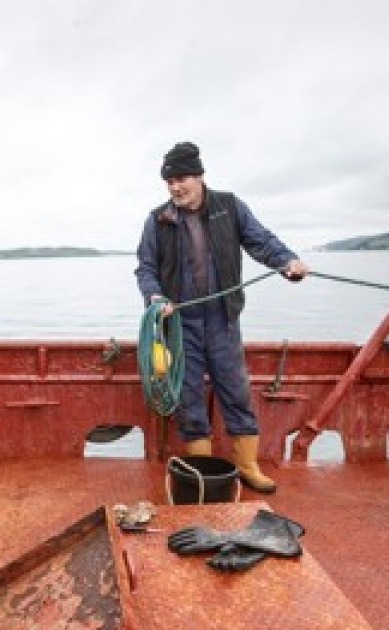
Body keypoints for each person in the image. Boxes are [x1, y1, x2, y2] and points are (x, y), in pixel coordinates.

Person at [135, 141, 308, 494]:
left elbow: (261, 241)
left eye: (181, 178)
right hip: (179, 325)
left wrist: (287, 261)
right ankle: (201, 470)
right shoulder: (158, 220)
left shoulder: (229, 207)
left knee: (236, 391)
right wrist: (155, 297)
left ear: (199, 176)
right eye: (169, 181)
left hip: (222, 320)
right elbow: (146, 268)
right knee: (187, 397)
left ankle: (247, 466)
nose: (175, 187)